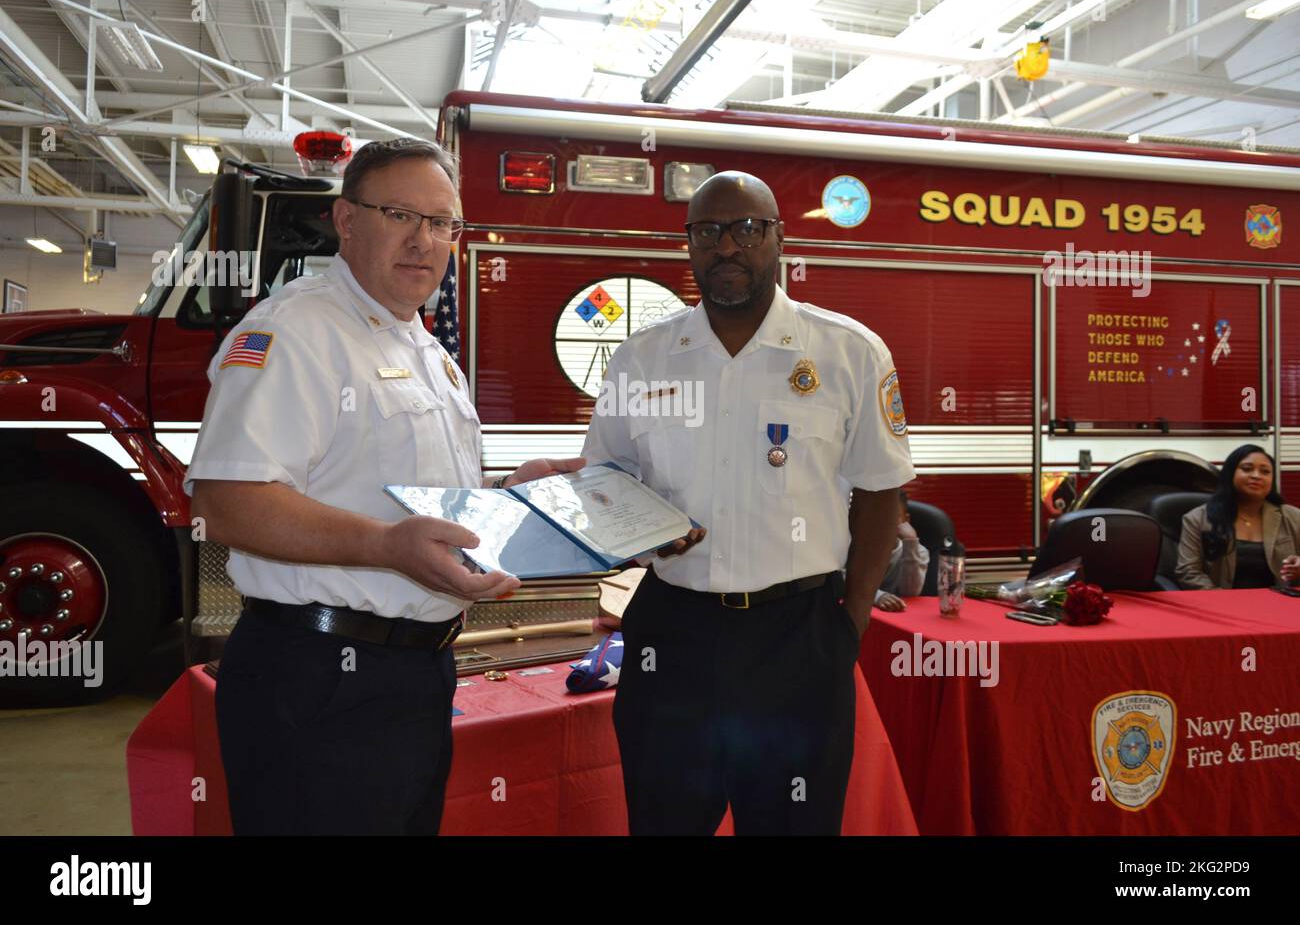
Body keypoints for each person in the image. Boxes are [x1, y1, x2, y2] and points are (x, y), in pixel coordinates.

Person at [186, 138, 582, 834]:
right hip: (318, 680)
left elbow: (409, 491)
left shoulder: (424, 348)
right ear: (346, 220)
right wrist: (388, 548)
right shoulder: (297, 331)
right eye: (400, 215)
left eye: (442, 224)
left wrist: (511, 493)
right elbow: (227, 504)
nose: (423, 241)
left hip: (413, 675)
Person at [582, 170, 914, 835]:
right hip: (672, 635)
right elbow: (603, 478)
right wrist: (645, 535)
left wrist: (848, 621)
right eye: (708, 231)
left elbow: (883, 491)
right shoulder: (641, 359)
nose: (727, 246)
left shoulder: (848, 352)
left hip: (799, 638)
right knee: (664, 823)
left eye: (746, 229)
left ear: (778, 239)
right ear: (689, 244)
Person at [1176, 443, 1300, 590]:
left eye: (1265, 472)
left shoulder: (1293, 516)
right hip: (1221, 603)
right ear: (1230, 474)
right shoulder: (1197, 518)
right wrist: (1222, 599)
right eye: (1247, 469)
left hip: (1280, 604)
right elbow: (1188, 572)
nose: (1256, 476)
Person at [872, 489, 930, 612]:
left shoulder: (918, 551)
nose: (884, 522)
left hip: (898, 614)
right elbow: (841, 580)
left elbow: (910, 593)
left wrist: (911, 543)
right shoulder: (854, 546)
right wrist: (877, 596)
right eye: (876, 515)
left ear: (906, 520)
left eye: (892, 515)